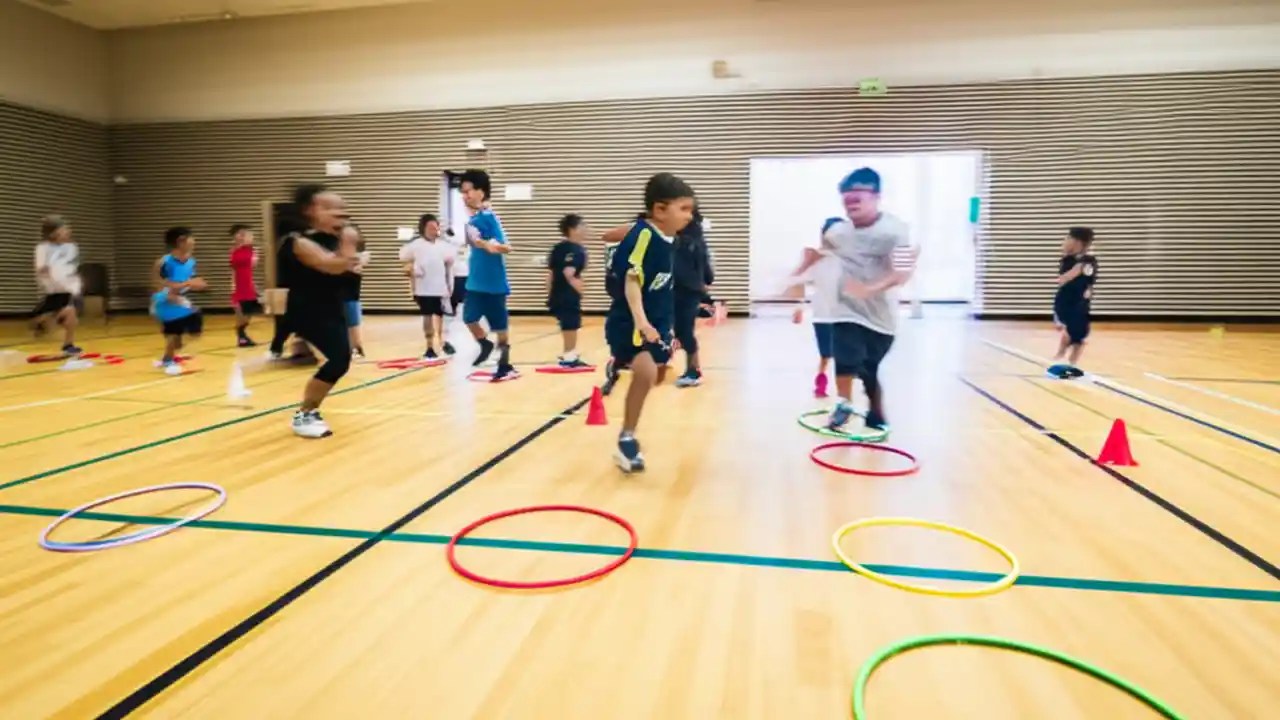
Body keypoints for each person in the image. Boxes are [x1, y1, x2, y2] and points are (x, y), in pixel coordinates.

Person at [605, 173, 696, 473]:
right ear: (659, 210)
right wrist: (642, 322)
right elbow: (632, 282)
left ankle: (619, 363)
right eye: (683, 209)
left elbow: (663, 285)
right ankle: (626, 439)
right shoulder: (644, 236)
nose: (689, 215)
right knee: (644, 374)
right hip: (630, 321)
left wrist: (669, 326)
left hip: (659, 321)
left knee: (656, 376)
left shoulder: (669, 239)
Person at [825, 168, 918, 434]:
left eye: (858, 197)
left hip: (880, 317)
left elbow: (902, 272)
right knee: (845, 357)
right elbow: (824, 254)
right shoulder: (836, 232)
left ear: (876, 196)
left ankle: (875, 408)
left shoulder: (895, 231)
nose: (851, 203)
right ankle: (843, 403)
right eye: (847, 198)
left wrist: (869, 288)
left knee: (868, 368)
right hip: (845, 310)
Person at [277, 184, 360, 438]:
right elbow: (331, 266)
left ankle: (307, 411)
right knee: (338, 359)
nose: (339, 213)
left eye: (342, 208)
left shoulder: (339, 238)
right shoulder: (297, 241)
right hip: (306, 309)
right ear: (312, 210)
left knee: (340, 361)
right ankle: (304, 415)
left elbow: (349, 273)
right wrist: (349, 249)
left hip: (331, 306)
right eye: (331, 208)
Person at [459, 169, 515, 381]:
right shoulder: (472, 220)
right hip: (475, 281)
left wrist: (490, 245)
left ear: (481, 192)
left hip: (494, 282)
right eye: (463, 193)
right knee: (469, 318)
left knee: (500, 324)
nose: (465, 196)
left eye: (468, 191)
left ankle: (505, 362)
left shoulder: (489, 218)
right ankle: (484, 343)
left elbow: (506, 247)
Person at [786, 217, 846, 398]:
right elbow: (799, 281)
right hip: (823, 315)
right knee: (826, 354)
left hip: (846, 315)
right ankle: (821, 381)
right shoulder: (816, 259)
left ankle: (845, 389)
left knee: (846, 353)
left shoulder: (849, 260)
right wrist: (799, 306)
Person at [151, 227, 207, 375]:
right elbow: (160, 285)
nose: (194, 242)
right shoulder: (164, 262)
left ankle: (167, 358)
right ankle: (168, 360)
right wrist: (188, 284)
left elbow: (188, 282)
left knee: (185, 334)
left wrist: (196, 285)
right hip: (164, 299)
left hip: (179, 299)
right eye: (191, 238)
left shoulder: (190, 262)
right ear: (181, 241)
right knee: (176, 330)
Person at [400, 213, 455, 359]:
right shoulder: (415, 245)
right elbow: (404, 258)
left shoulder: (443, 245)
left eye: (436, 227)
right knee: (427, 316)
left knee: (442, 316)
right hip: (423, 288)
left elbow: (450, 262)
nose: (434, 230)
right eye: (430, 227)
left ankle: (443, 342)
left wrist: (450, 285)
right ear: (423, 228)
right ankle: (429, 346)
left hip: (440, 287)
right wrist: (411, 269)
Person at [671, 207, 715, 388]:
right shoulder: (697, 240)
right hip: (688, 291)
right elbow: (708, 273)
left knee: (684, 331)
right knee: (680, 330)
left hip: (683, 291)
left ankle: (694, 371)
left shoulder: (682, 241)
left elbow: (678, 269)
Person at [1048, 227, 1098, 379]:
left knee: (1078, 334)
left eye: (1068, 239)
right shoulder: (1067, 258)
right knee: (1066, 329)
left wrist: (1067, 277)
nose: (1065, 242)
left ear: (1078, 242)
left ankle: (1071, 363)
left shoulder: (1087, 260)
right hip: (1064, 299)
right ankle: (1061, 354)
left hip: (1079, 301)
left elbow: (1077, 273)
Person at [31, 215, 82, 355]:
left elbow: (72, 265)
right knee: (52, 315)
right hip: (53, 289)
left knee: (71, 315)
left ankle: (68, 344)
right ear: (52, 233)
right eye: (63, 229)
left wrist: (72, 281)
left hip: (67, 289)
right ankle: (40, 321)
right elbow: (42, 269)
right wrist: (52, 276)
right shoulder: (43, 248)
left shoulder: (71, 247)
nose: (67, 232)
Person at [546, 213, 590, 368]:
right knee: (571, 324)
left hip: (557, 293)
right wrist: (579, 289)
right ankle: (569, 356)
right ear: (572, 229)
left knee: (567, 324)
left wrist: (549, 294)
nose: (585, 230)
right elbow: (569, 272)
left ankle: (568, 352)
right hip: (567, 294)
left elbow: (550, 274)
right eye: (582, 226)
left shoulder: (557, 248)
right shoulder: (576, 250)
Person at [229, 224, 261, 347]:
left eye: (245, 234)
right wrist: (232, 284)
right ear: (235, 236)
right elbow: (233, 269)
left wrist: (254, 285)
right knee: (240, 313)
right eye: (240, 234)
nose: (242, 236)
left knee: (249, 314)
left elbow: (252, 267)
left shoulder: (252, 250)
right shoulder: (233, 250)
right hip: (238, 284)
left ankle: (241, 334)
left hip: (248, 284)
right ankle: (241, 337)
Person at [341, 223, 370, 359]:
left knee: (353, 322)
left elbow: (355, 265)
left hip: (352, 295)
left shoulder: (362, 255)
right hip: (338, 294)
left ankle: (357, 348)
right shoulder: (338, 254)